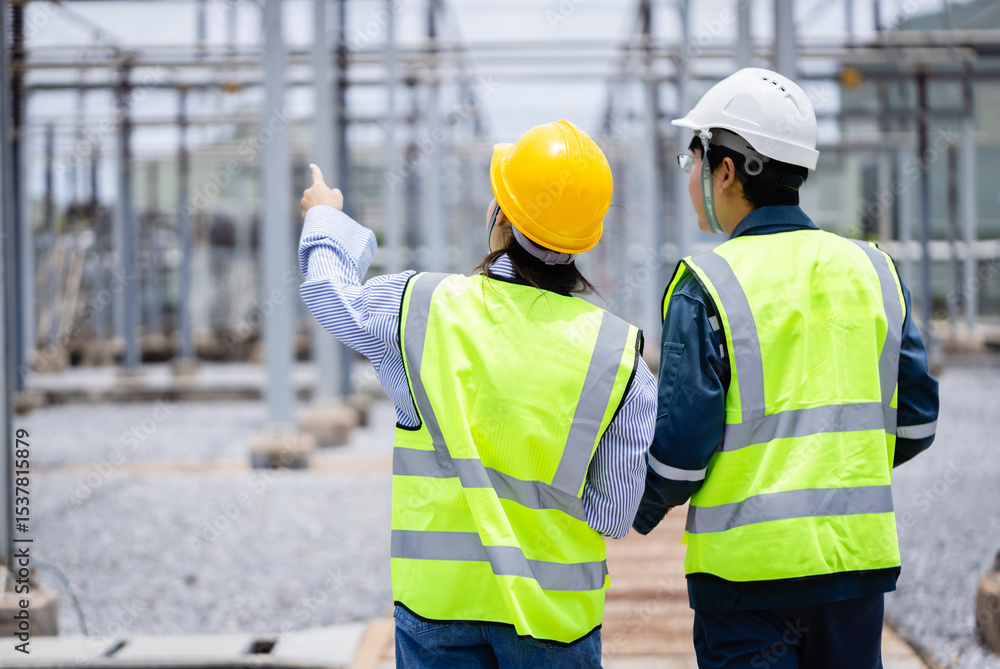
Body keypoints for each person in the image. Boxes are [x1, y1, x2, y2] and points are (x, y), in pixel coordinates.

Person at [298, 119, 657, 668]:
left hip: (438, 607)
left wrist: (325, 217)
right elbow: (613, 512)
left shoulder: (422, 307)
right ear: (586, 237)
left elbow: (332, 296)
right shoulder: (618, 353)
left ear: (502, 218)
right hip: (553, 619)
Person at [632, 68, 940, 668]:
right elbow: (917, 422)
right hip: (854, 570)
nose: (689, 174)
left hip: (746, 583)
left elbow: (679, 456)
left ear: (726, 170)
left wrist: (624, 509)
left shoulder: (706, 285)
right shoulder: (874, 270)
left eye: (692, 159)